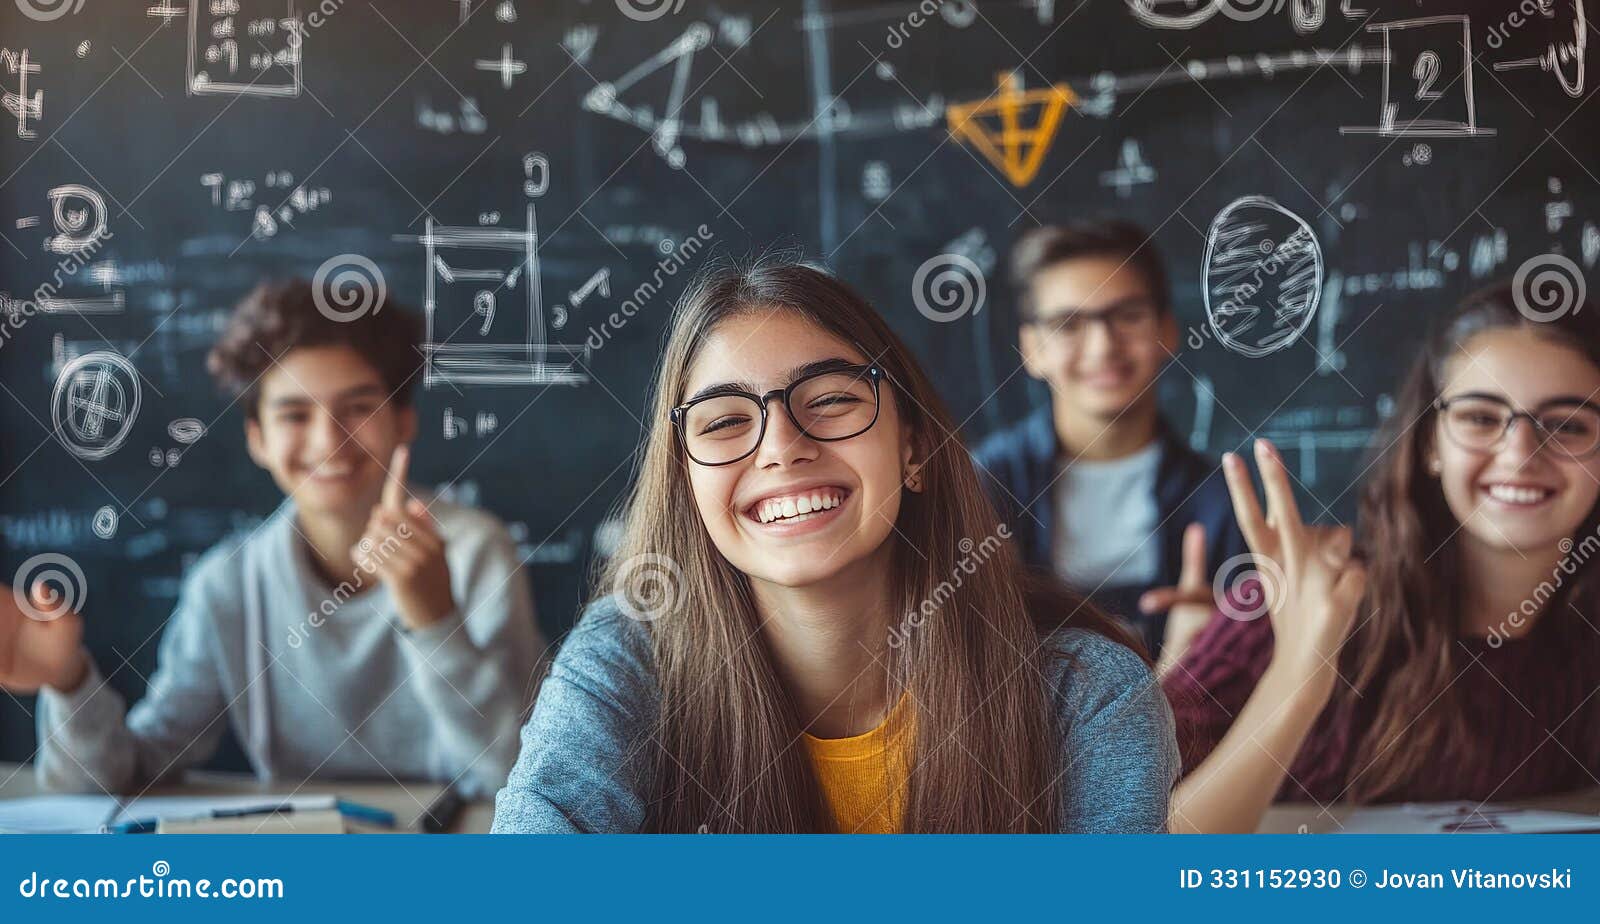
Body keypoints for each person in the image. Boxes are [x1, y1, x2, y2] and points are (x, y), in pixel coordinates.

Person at [492, 256, 1178, 833]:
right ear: (686, 483)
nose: (782, 448)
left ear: (913, 448)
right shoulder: (626, 657)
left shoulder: (1084, 694)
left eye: (830, 400)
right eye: (725, 420)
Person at [0, 278, 544, 798]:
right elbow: (127, 775)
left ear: (404, 421)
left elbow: (521, 780)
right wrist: (67, 680)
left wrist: (434, 620)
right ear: (257, 439)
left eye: (358, 408)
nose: (329, 441)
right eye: (294, 414)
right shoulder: (229, 583)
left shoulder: (476, 553)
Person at [1164, 281, 1600, 832]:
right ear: (1429, 445)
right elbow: (1126, 857)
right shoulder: (1299, 599)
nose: (1521, 454)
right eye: (1481, 418)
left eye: (1567, 425)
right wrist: (1299, 672)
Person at [973, 221, 1244, 663]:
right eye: (1068, 324)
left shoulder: (1223, 504)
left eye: (1128, 316)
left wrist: (1206, 662)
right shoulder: (983, 489)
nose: (1102, 346)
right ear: (1032, 349)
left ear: (1167, 332)